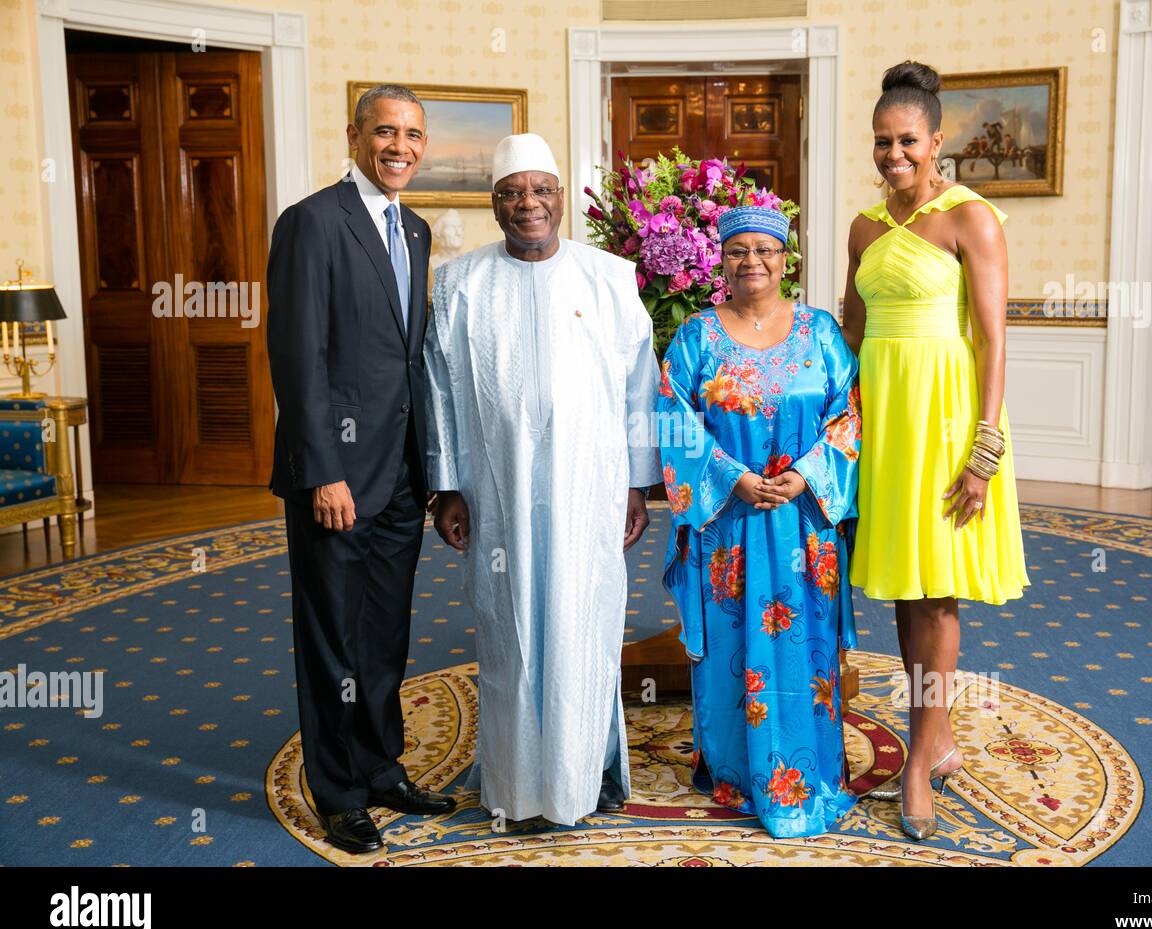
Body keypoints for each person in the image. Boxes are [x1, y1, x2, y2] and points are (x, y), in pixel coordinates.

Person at [423, 133, 661, 826]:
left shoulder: (609, 276)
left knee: (583, 624)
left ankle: (586, 776)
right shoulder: (460, 283)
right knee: (508, 629)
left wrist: (636, 486)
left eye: (541, 190)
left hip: (590, 490)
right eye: (511, 192)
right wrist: (446, 488)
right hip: (494, 493)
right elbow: (440, 391)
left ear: (561, 198)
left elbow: (638, 390)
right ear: (494, 203)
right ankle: (514, 783)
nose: (528, 203)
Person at [842, 61, 1030, 841]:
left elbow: (993, 339)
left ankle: (919, 757)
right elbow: (849, 330)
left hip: (949, 423)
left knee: (938, 592)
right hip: (884, 421)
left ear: (937, 139)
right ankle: (939, 736)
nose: (894, 155)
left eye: (907, 141)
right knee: (901, 586)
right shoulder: (863, 227)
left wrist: (983, 452)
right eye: (883, 142)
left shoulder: (970, 217)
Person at [266, 84, 456, 854]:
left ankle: (381, 768)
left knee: (383, 635)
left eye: (412, 135)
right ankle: (339, 792)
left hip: (401, 475)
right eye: (386, 132)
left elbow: (406, 362)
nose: (400, 147)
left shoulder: (413, 229)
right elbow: (298, 357)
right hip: (337, 476)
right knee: (333, 641)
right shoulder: (312, 223)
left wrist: (433, 468)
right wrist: (324, 471)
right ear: (354, 135)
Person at [658, 204, 861, 838]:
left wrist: (807, 473)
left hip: (804, 526)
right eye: (739, 250)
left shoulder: (821, 331)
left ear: (785, 258)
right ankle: (734, 773)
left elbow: (849, 416)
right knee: (728, 653)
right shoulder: (695, 336)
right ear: (720, 259)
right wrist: (731, 478)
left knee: (809, 654)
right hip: (726, 527)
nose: (753, 261)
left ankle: (811, 773)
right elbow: (671, 419)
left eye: (765, 250)